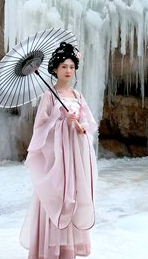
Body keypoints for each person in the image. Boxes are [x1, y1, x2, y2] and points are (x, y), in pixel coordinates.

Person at [20, 42, 97, 259]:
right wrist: (61, 120)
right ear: (55, 69)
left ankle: (68, 249)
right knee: (58, 193)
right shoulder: (49, 96)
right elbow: (40, 128)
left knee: (73, 194)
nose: (68, 71)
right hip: (58, 157)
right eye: (64, 66)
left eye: (72, 67)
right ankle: (50, 248)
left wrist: (80, 124)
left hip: (75, 154)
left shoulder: (78, 96)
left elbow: (89, 124)